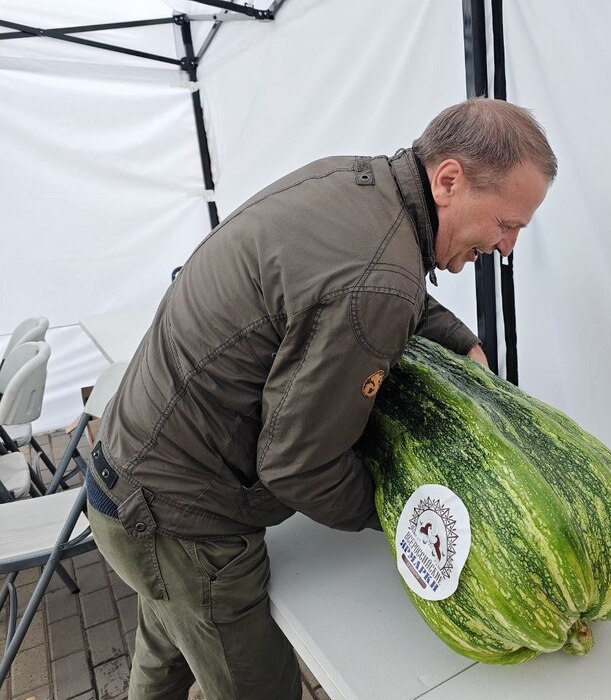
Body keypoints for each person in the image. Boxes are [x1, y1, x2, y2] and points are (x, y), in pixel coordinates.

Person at [85, 97, 557, 699]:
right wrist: (405, 513)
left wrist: (460, 341)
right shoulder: (378, 278)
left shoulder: (358, 183)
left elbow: (376, 275)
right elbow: (296, 465)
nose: (508, 246)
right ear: (448, 181)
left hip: (128, 477)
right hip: (181, 523)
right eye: (507, 223)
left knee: (166, 654)